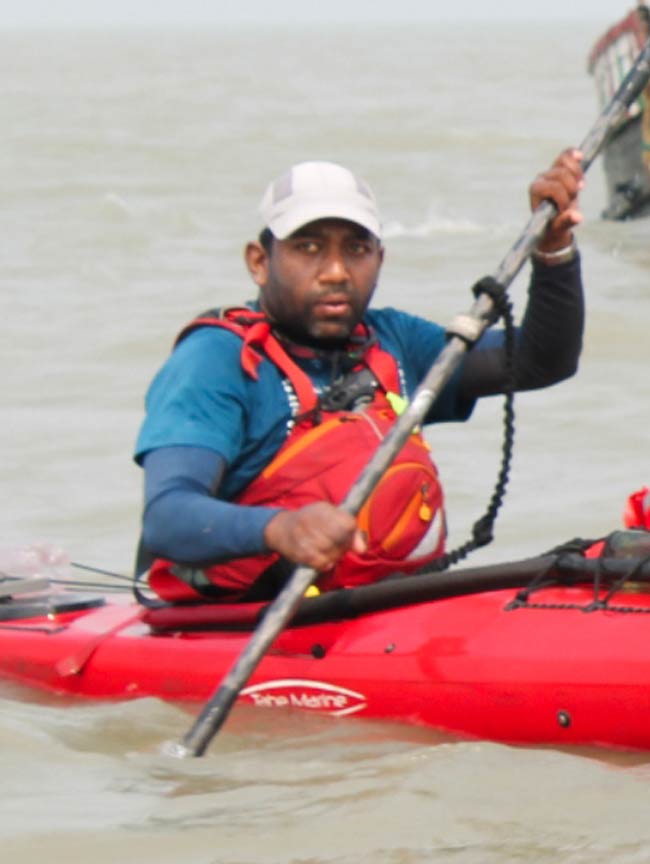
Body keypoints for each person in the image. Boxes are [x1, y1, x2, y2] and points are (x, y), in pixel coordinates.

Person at [135, 153, 585, 601]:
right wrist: (281, 528)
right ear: (259, 261)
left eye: (356, 249)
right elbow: (167, 516)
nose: (335, 272)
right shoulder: (217, 361)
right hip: (249, 622)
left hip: (385, 612)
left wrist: (553, 251)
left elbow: (539, 361)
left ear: (380, 258)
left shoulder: (395, 340)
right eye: (307, 247)